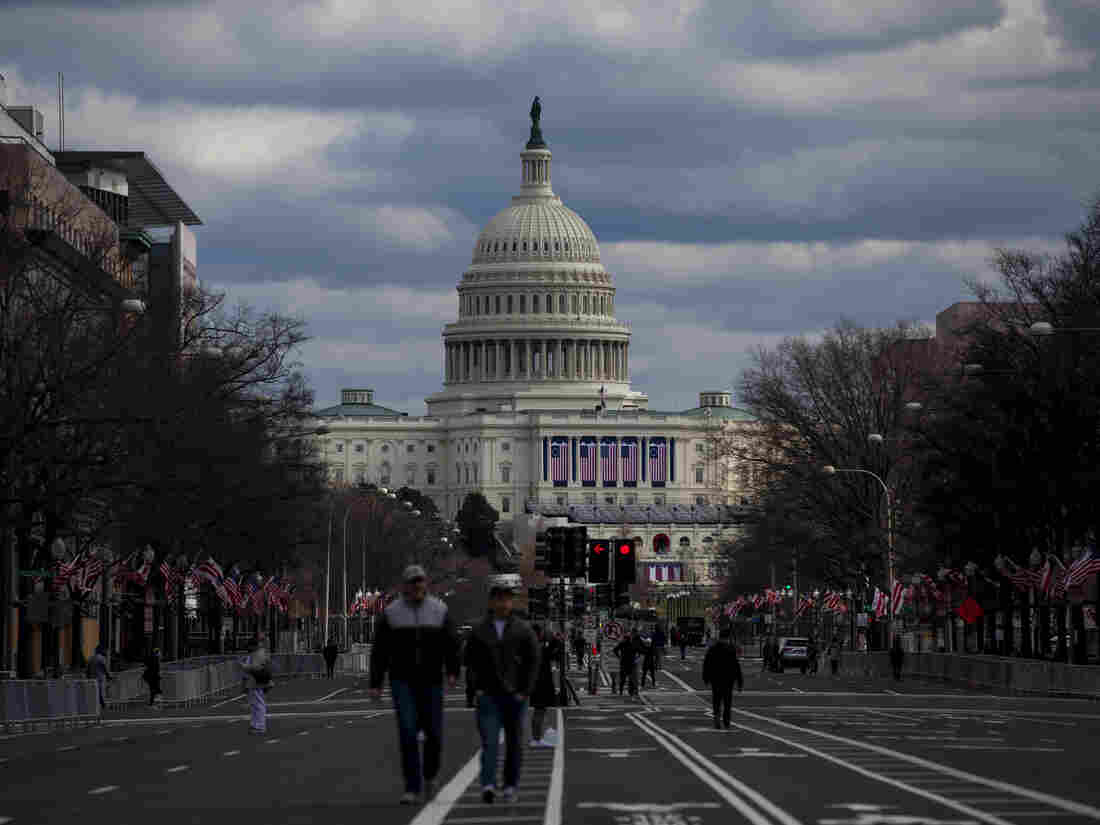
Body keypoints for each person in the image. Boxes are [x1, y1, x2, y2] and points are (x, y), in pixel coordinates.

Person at [370, 565, 460, 806]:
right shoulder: (391, 614)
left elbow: (451, 643)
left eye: (421, 581)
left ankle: (430, 776)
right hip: (402, 681)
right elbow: (379, 651)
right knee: (407, 732)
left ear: (425, 584)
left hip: (431, 680)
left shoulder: (439, 610)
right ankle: (412, 786)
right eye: (413, 582)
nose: (418, 585)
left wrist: (453, 671)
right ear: (405, 586)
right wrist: (376, 683)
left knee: (434, 733)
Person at [464, 578, 540, 804]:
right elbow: (470, 663)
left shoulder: (522, 629)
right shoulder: (479, 630)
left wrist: (525, 691)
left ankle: (510, 785)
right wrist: (474, 691)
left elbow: (533, 660)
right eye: (498, 598)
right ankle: (488, 784)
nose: (503, 603)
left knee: (514, 743)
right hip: (488, 695)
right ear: (491, 601)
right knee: (489, 742)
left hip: (515, 696)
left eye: (507, 599)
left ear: (512, 602)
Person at [702, 628, 743, 729]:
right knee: (727, 702)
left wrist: (706, 677)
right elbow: (736, 667)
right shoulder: (731, 650)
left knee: (716, 700)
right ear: (727, 638)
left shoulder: (712, 649)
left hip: (716, 679)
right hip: (728, 680)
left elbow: (707, 664)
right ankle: (726, 721)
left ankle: (717, 717)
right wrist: (739, 681)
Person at [529, 625, 558, 746]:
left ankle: (536, 738)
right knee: (540, 711)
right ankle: (536, 739)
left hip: (535, 682)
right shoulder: (540, 648)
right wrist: (552, 637)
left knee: (538, 711)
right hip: (542, 683)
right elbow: (555, 647)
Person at [241, 635, 272, 735]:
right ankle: (256, 725)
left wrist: (244, 666)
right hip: (258, 681)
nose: (248, 648)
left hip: (256, 682)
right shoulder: (261, 653)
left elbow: (254, 668)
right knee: (256, 704)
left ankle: (259, 726)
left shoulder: (256, 654)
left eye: (249, 646)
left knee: (258, 705)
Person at [88, 645, 112, 711]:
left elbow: (87, 669)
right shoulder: (102, 658)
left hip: (91, 679)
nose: (107, 652)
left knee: (94, 693)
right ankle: (103, 705)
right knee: (101, 692)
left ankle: (95, 706)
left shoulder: (91, 658)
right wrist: (109, 676)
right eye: (106, 651)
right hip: (100, 678)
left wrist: (88, 676)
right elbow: (105, 668)